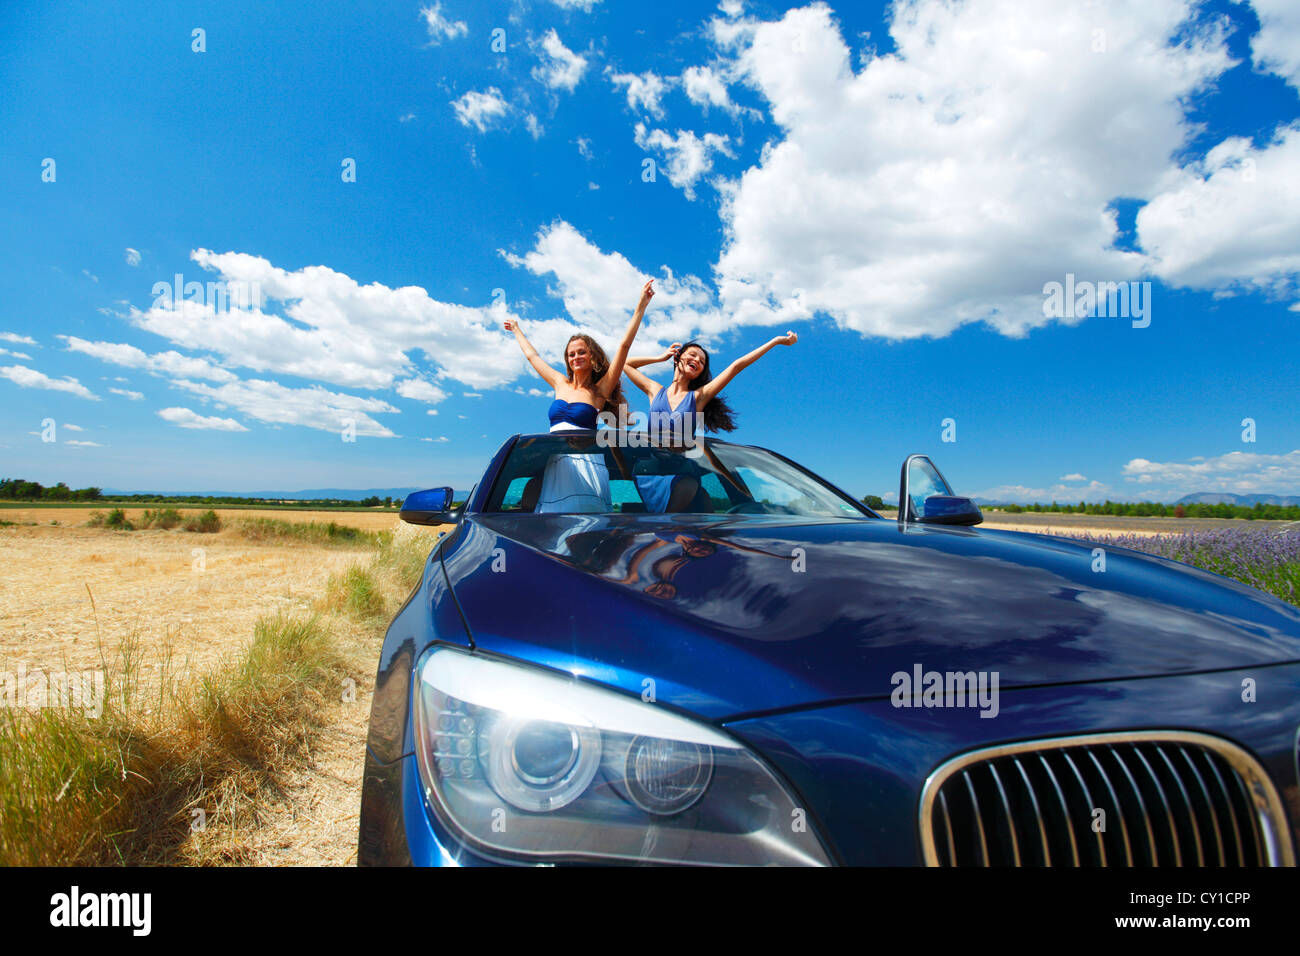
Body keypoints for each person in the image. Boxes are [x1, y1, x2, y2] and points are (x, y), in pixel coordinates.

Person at [505, 280, 655, 512]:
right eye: (571, 354)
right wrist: (516, 329)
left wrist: (641, 306)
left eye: (581, 352)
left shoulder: (600, 390)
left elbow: (624, 347)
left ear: (592, 357)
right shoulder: (559, 383)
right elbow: (532, 357)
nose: (575, 357)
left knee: (586, 518)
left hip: (585, 464)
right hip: (555, 461)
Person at [622, 331, 799, 512]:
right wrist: (661, 358)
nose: (697, 361)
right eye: (692, 355)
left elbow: (737, 366)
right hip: (652, 472)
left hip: (682, 472)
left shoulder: (698, 397)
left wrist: (775, 341)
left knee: (690, 491)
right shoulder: (655, 390)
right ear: (677, 358)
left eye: (702, 362)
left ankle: (667, 529)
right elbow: (626, 364)